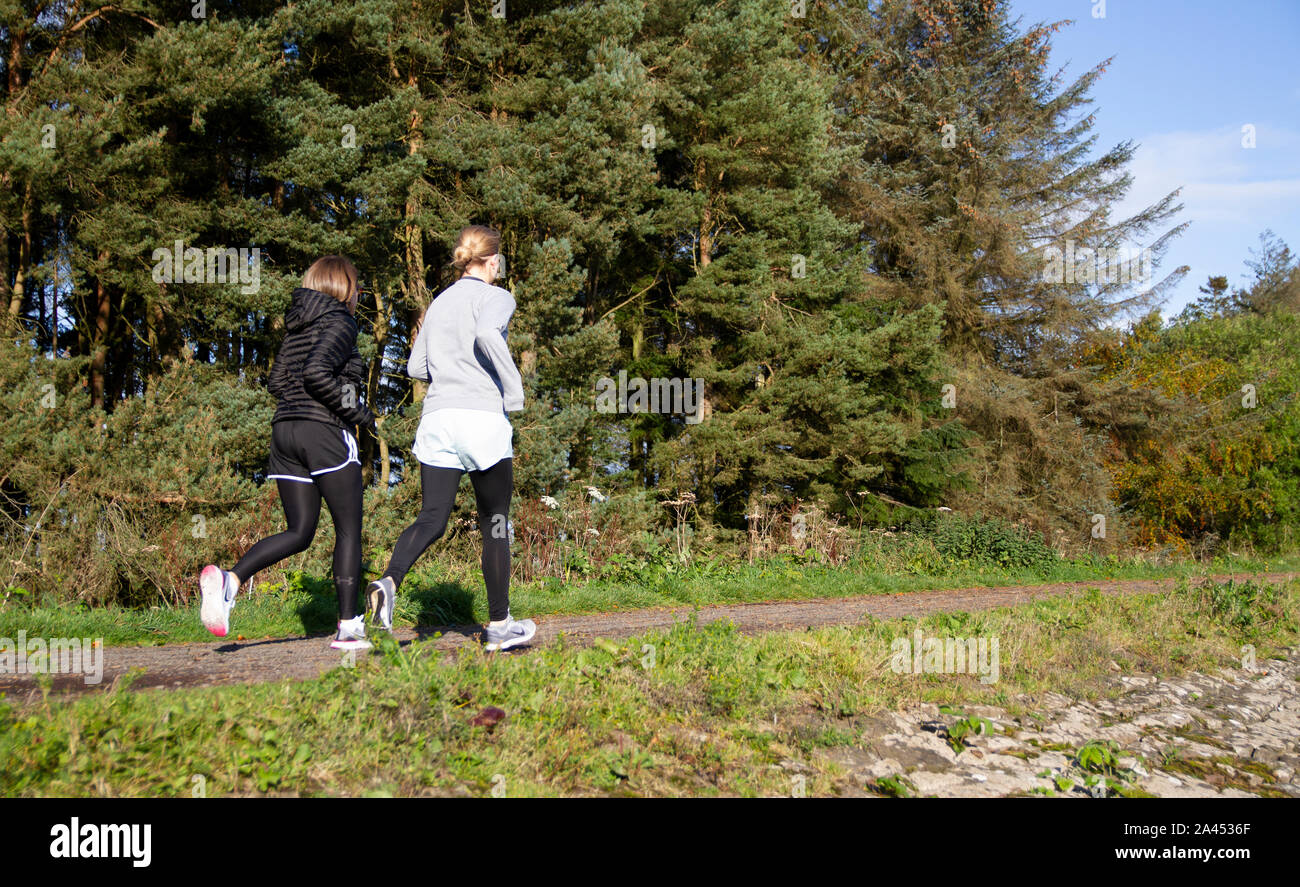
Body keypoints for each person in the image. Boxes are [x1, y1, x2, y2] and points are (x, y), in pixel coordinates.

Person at [366, 225, 536, 651]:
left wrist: (450, 365)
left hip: (439, 418)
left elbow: (416, 368)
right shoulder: (497, 297)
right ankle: (499, 626)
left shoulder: (439, 302)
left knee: (432, 518)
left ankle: (389, 581)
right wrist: (513, 389)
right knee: (494, 522)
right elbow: (485, 335)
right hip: (481, 418)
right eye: (501, 264)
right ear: (493, 262)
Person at [199, 255, 376, 651]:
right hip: (324, 432)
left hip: (285, 431)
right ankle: (349, 627)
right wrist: (358, 413)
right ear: (346, 286)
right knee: (348, 530)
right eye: (357, 284)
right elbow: (317, 374)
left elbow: (278, 380)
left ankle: (231, 580)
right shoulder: (341, 322)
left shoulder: (298, 324)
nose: (359, 292)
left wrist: (302, 403)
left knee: (300, 532)